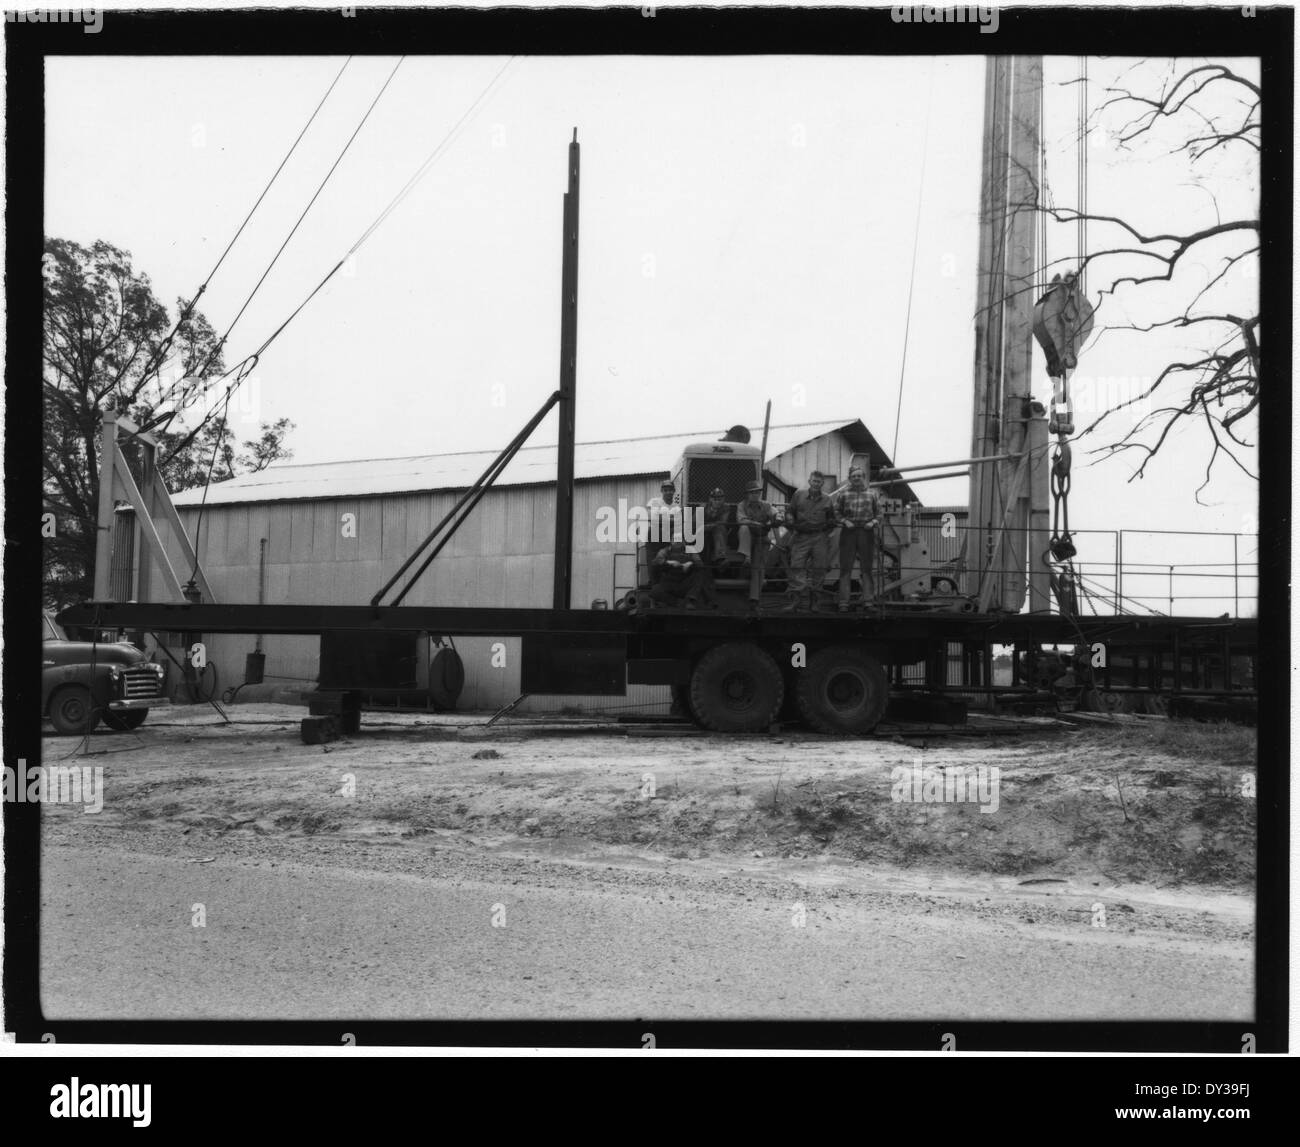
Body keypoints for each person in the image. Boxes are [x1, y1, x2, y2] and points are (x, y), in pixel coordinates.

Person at [833, 465, 883, 610]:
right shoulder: (843, 494)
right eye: (853, 476)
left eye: (859, 476)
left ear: (863, 478)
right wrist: (844, 521)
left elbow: (879, 514)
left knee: (867, 568)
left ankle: (868, 602)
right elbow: (836, 512)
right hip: (848, 532)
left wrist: (872, 522)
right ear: (850, 478)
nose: (856, 478)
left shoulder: (872, 494)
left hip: (866, 532)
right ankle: (843, 603)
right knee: (845, 568)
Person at [783, 470, 834, 610]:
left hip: (820, 537)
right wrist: (790, 521)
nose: (816, 484)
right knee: (796, 566)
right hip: (801, 536)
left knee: (819, 568)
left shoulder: (828, 499)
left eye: (819, 481)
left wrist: (824, 533)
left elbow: (832, 519)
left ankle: (815, 602)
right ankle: (796, 600)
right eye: (814, 481)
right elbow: (789, 511)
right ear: (809, 481)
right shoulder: (798, 495)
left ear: (822, 483)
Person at [736, 480, 778, 603]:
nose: (756, 495)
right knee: (744, 528)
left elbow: (775, 516)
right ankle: (747, 557)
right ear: (747, 494)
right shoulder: (741, 505)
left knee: (759, 569)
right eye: (752, 492)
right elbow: (741, 520)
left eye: (758, 492)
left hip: (761, 539)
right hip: (746, 538)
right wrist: (757, 523)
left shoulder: (766, 505)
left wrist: (775, 519)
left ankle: (754, 599)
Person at [642, 540, 715, 610]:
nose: (677, 542)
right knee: (654, 591)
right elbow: (655, 562)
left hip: (685, 584)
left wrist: (691, 563)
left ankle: (691, 600)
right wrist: (668, 562)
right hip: (669, 584)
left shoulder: (690, 550)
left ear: (684, 541)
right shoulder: (665, 551)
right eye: (675, 539)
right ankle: (678, 603)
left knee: (701, 574)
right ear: (671, 541)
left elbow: (700, 564)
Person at [703, 487, 730, 564]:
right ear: (710, 499)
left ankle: (721, 558)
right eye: (715, 498)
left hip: (717, 532)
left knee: (719, 528)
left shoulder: (726, 507)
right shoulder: (703, 506)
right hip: (703, 530)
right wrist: (712, 510)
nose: (717, 501)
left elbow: (722, 521)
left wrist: (715, 511)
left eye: (720, 499)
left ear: (723, 499)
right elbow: (695, 522)